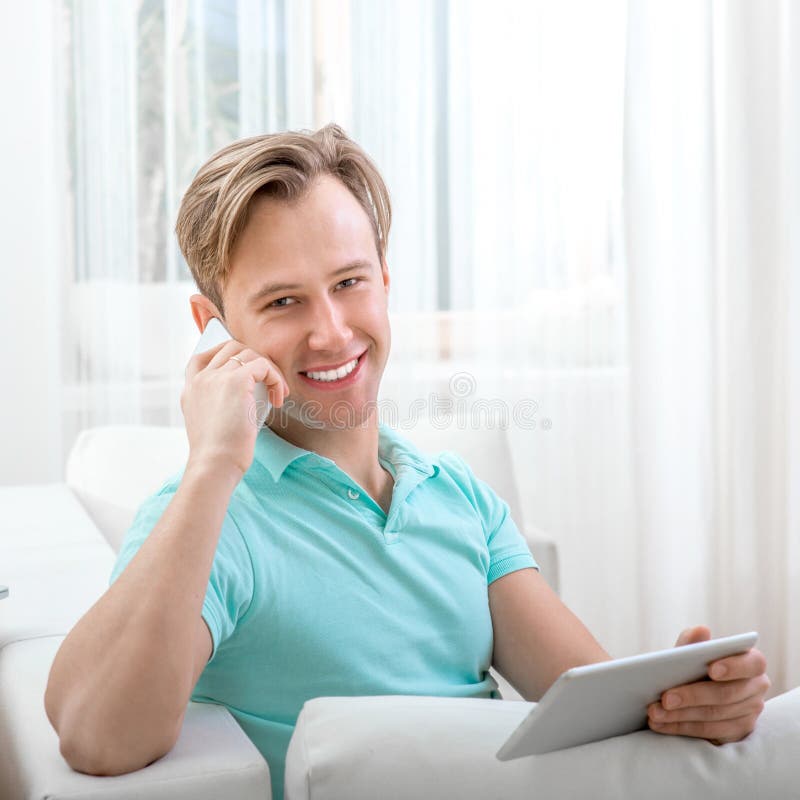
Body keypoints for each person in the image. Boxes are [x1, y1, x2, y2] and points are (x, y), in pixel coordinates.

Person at [45, 124, 770, 800]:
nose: (330, 331)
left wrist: (695, 703)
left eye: (349, 282)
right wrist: (211, 465)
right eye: (284, 301)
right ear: (215, 329)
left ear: (385, 282)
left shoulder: (459, 499)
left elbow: (593, 706)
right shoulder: (210, 519)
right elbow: (96, 736)